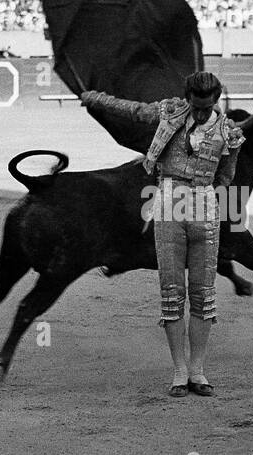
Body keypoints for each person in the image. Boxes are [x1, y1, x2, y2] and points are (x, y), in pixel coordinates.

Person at [81, 72, 244, 397]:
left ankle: (198, 370)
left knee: (203, 293)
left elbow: (228, 175)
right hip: (169, 203)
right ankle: (179, 372)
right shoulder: (169, 111)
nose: (200, 113)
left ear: (216, 100)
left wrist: (208, 198)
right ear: (187, 99)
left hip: (203, 209)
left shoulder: (230, 131)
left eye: (207, 107)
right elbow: (131, 109)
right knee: (172, 292)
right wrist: (95, 98)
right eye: (196, 106)